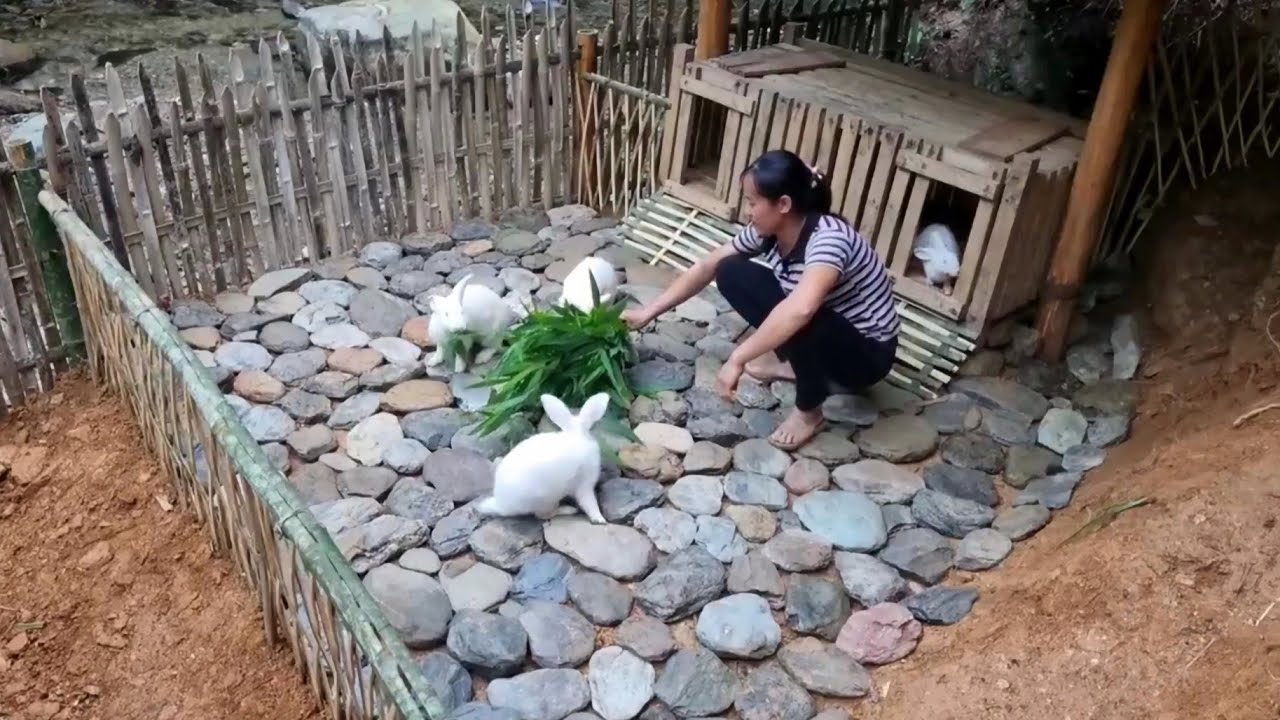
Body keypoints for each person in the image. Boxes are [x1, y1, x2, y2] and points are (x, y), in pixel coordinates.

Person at [622, 149, 900, 451]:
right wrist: (650, 312)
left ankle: (809, 413)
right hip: (827, 327)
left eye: (753, 203)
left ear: (783, 204)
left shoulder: (828, 240)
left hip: (866, 355)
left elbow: (801, 310)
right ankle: (795, 363)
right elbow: (706, 266)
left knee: (801, 315)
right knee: (730, 271)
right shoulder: (771, 230)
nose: (747, 211)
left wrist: (737, 358)